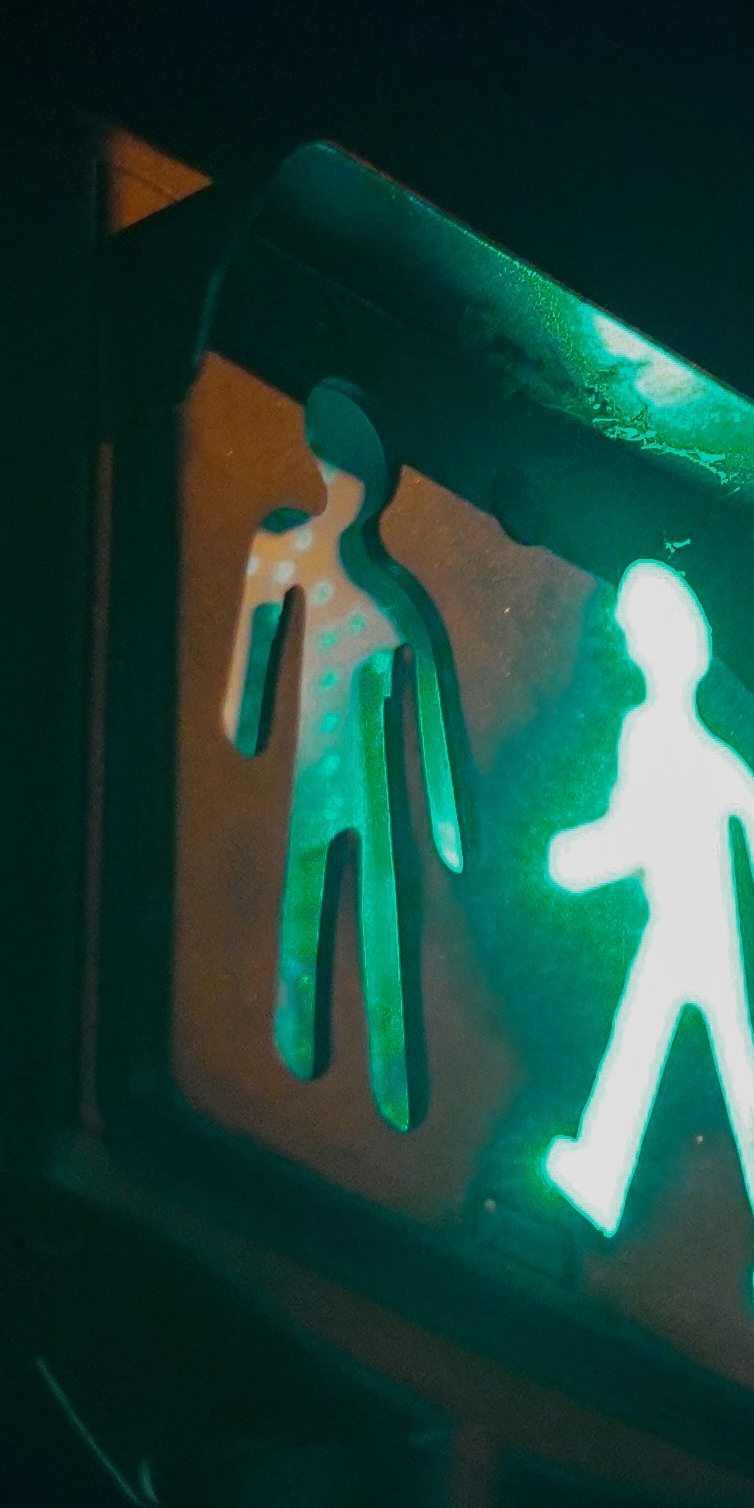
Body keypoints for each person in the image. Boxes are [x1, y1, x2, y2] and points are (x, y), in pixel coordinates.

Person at [540, 560, 754, 1331]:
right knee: (679, 1063)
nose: (633, 647)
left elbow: (649, 835)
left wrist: (576, 860)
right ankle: (606, 1175)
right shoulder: (697, 751)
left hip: (694, 930)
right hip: (683, 928)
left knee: (736, 1089)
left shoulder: (670, 744)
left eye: (638, 634)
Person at [223, 380, 466, 1133]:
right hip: (328, 776)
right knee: (340, 912)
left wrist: (450, 823)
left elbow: (427, 710)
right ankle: (310, 1048)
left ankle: (366, 1073)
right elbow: (254, 660)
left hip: (350, 782)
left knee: (367, 917)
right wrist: (245, 712)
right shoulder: (328, 569)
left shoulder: (375, 594)